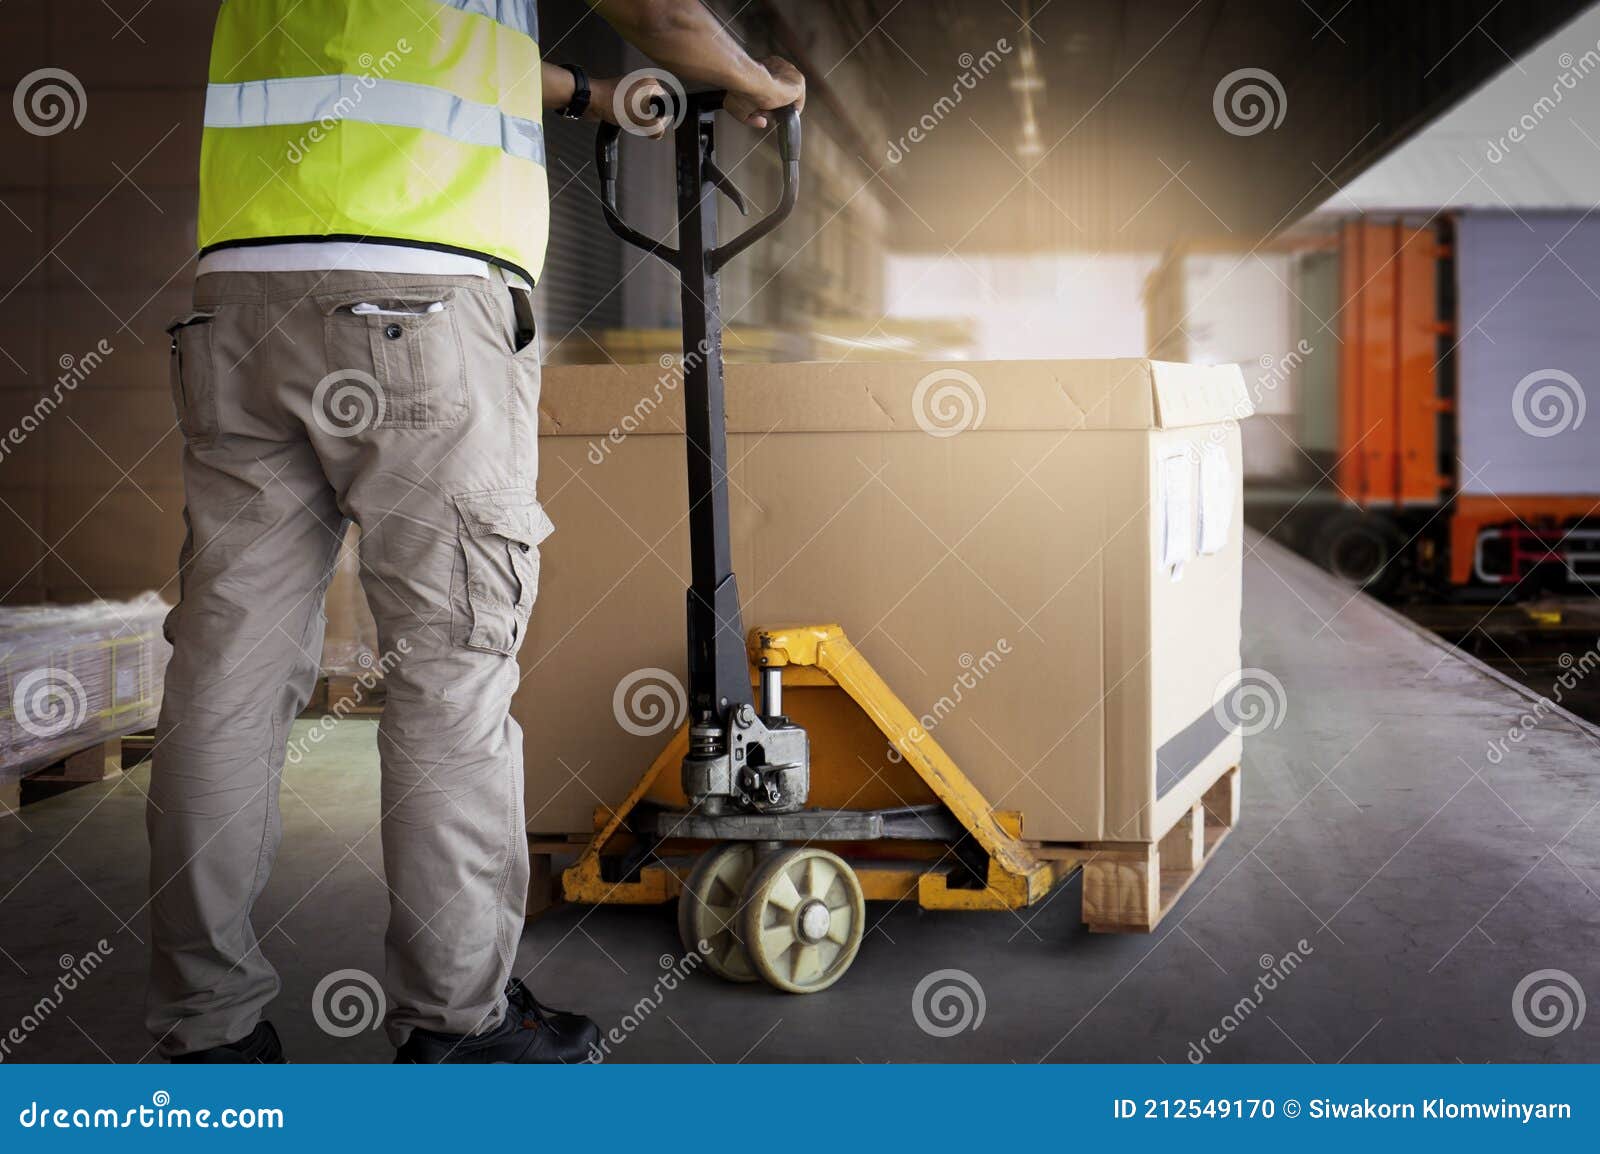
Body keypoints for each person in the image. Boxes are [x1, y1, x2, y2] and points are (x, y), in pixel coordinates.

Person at [150, 0, 804, 1064]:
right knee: (449, 673)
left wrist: (591, 96)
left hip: (240, 300)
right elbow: (664, 11)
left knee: (224, 672)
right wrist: (759, 81)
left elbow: (392, 59)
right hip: (419, 293)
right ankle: (459, 1022)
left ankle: (204, 1030)